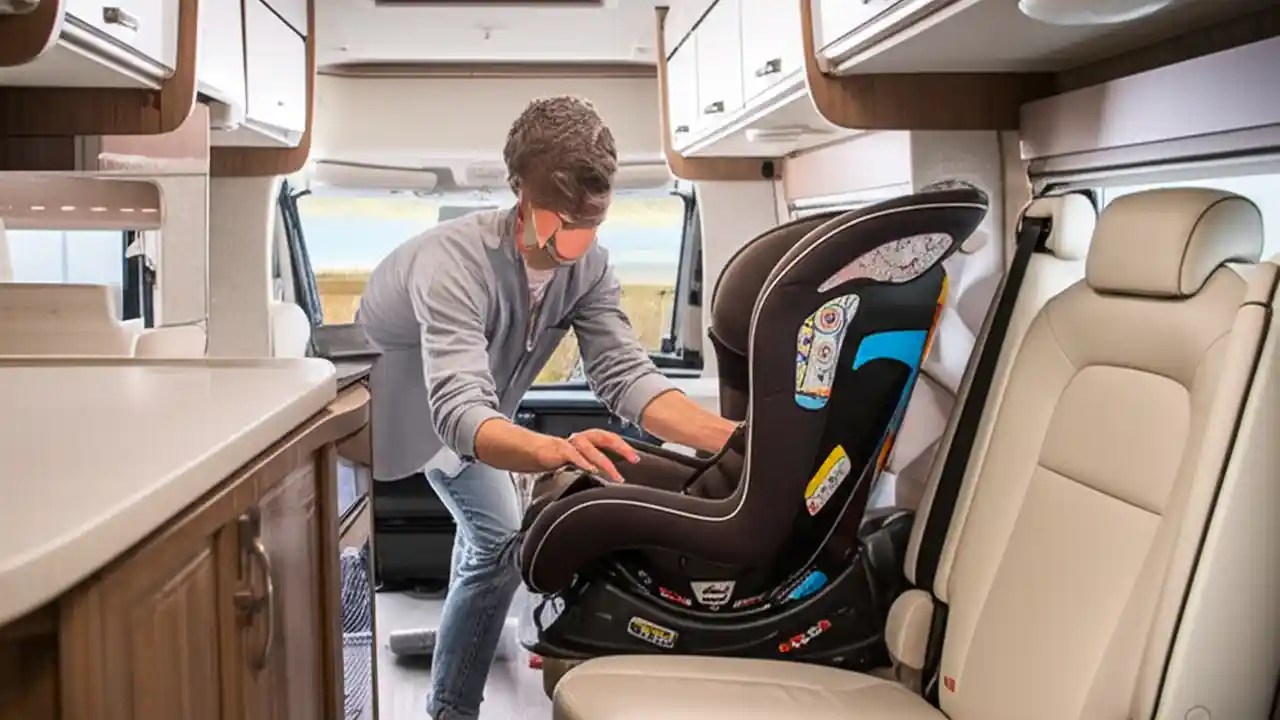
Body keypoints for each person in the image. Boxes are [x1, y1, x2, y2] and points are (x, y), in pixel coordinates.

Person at [357, 95, 738, 719]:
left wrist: (735, 436)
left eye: (590, 222)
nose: (572, 242)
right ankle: (452, 710)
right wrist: (551, 450)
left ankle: (458, 639)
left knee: (486, 538)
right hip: (403, 414)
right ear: (517, 191)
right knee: (500, 537)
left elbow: (624, 374)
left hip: (480, 411)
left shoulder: (588, 266)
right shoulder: (450, 263)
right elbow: (455, 409)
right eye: (556, 221)